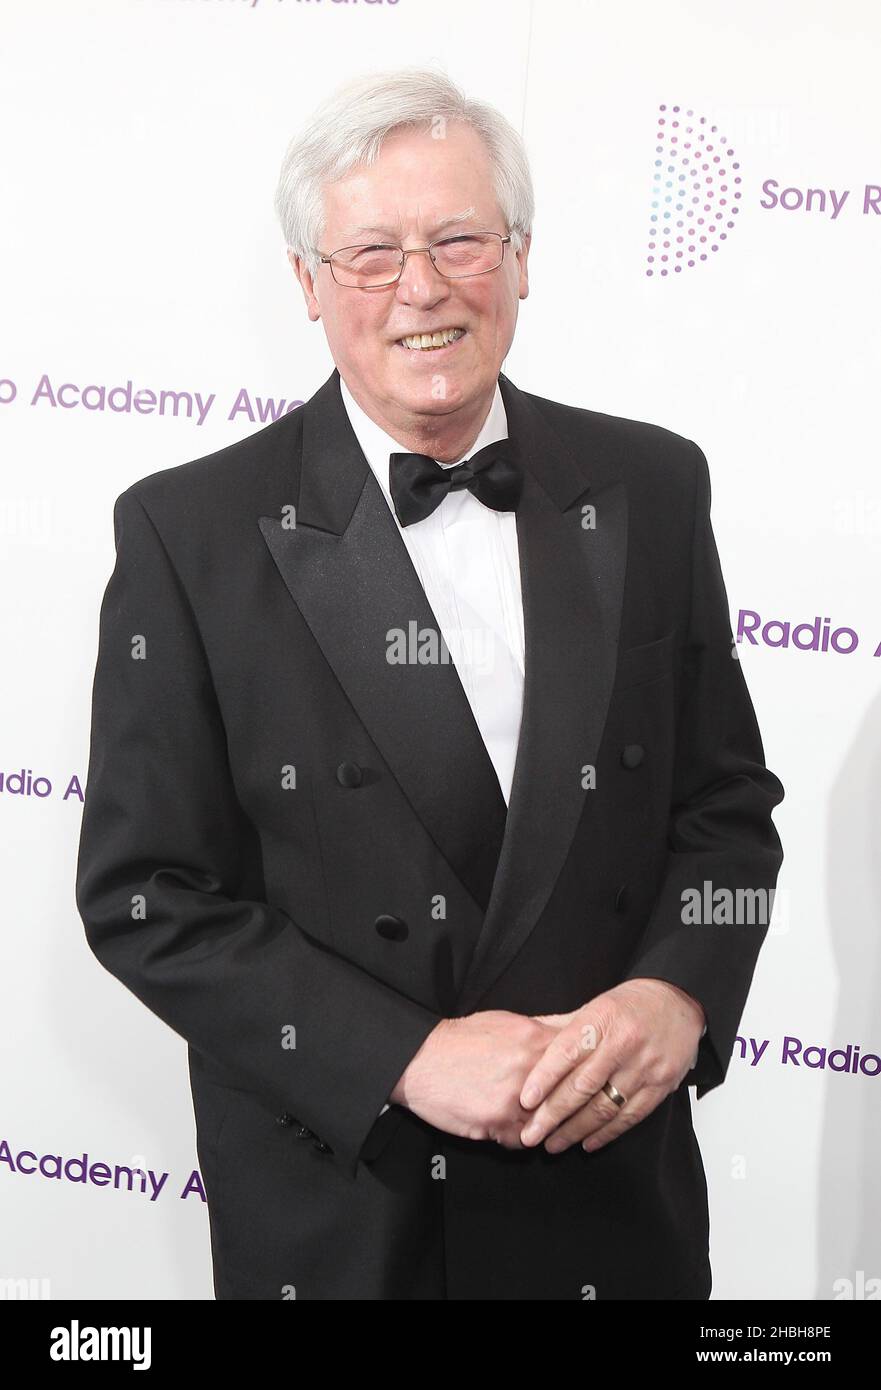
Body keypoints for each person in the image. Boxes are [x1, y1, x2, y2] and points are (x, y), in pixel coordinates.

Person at [75, 67, 784, 1300]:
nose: (421, 286)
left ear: (519, 259)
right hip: (349, 1213)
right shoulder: (188, 532)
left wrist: (679, 994)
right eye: (369, 252)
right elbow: (146, 896)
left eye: (459, 238)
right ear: (306, 282)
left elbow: (722, 809)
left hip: (609, 1206)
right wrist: (405, 1056)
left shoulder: (652, 486)